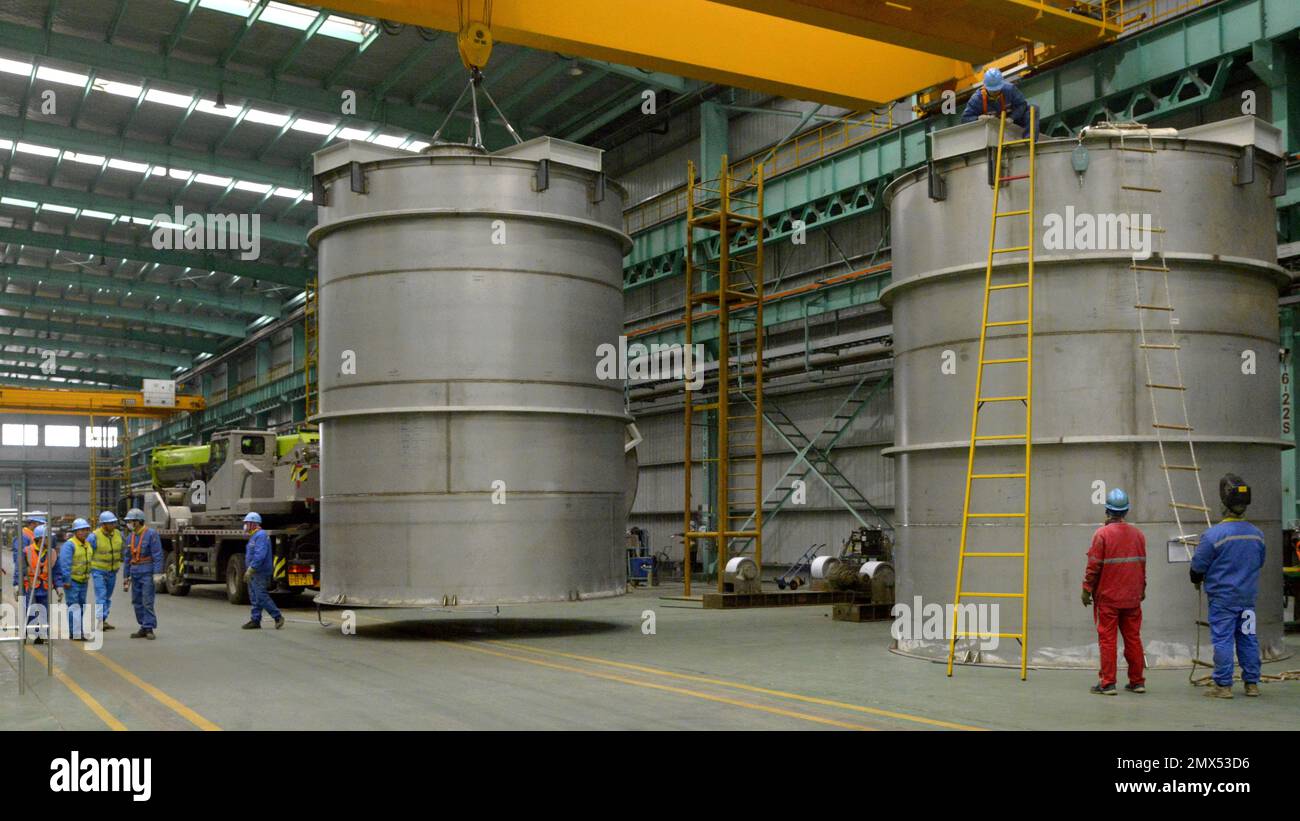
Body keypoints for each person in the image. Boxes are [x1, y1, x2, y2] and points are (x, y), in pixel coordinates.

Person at [1191, 474, 1267, 699]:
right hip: (1247, 599)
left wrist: (1197, 579)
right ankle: (1251, 684)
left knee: (1223, 640)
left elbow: (1198, 566)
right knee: (1248, 638)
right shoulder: (1257, 535)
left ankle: (1223, 686)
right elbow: (1259, 562)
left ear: (1223, 503)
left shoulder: (1214, 535)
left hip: (1223, 600)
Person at [1081, 488, 1147, 695]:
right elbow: (1142, 564)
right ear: (1126, 511)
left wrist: (1086, 590)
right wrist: (1142, 589)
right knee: (1133, 638)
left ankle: (1108, 683)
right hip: (1132, 598)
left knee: (1108, 640)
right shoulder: (1138, 535)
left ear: (1107, 511)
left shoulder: (1102, 534)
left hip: (1108, 598)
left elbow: (1093, 566)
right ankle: (1137, 682)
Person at [122, 508, 162, 640]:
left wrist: (157, 573)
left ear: (138, 521)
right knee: (136, 601)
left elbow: (157, 555)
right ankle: (143, 626)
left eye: (131, 521)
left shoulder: (151, 534)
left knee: (147, 601)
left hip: (147, 573)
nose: (129, 524)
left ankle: (149, 627)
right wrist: (126, 576)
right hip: (135, 573)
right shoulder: (130, 538)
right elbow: (127, 558)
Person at [962, 67, 1036, 136]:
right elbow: (965, 119)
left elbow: (1022, 105)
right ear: (985, 87)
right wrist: (978, 118)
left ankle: (1029, 138)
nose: (995, 92)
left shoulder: (1010, 90)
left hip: (1011, 123)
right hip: (991, 131)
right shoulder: (977, 99)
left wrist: (1011, 118)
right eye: (992, 90)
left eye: (997, 89)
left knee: (1032, 109)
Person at [240, 512, 284, 630]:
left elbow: (260, 554)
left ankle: (277, 616)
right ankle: (255, 620)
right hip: (254, 571)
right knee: (254, 596)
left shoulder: (261, 535)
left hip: (259, 571)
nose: (245, 526)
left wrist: (252, 568)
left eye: (246, 523)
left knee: (260, 595)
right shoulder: (254, 536)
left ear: (253, 524)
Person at [55, 519, 94, 641]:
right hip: (72, 581)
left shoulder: (87, 544)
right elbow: (65, 564)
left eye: (86, 530)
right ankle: (76, 632)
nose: (84, 532)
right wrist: (66, 580)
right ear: (75, 532)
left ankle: (77, 631)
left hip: (83, 580)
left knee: (81, 606)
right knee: (74, 606)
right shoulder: (69, 545)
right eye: (81, 530)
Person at [87, 510, 123, 631]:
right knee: (101, 596)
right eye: (110, 523)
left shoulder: (118, 534)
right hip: (98, 571)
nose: (113, 525)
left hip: (112, 571)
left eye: (114, 522)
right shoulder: (94, 536)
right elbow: (87, 553)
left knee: (107, 596)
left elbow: (124, 550)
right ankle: (100, 620)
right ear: (103, 524)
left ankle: (104, 619)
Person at [19, 524, 52, 644]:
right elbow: (21, 568)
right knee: (30, 611)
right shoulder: (27, 551)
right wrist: (17, 584)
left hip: (45, 587)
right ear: (39, 539)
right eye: (47, 538)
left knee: (44, 612)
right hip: (31, 587)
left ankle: (41, 635)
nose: (50, 540)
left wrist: (58, 587)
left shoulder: (51, 552)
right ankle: (25, 633)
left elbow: (57, 571)